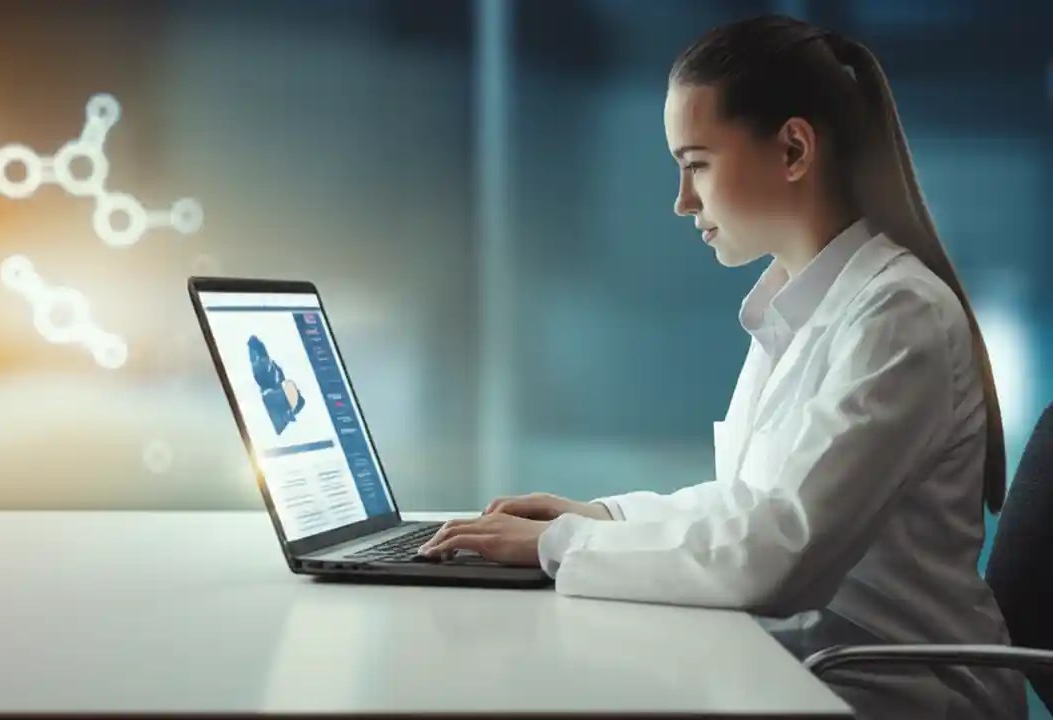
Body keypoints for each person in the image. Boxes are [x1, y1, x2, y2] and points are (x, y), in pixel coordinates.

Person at [417, 15, 1026, 719]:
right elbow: (749, 506)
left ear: (793, 149)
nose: (682, 201)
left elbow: (775, 556)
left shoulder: (899, 315)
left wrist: (559, 545)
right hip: (814, 662)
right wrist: (600, 516)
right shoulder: (801, 305)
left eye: (697, 163)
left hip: (893, 690)